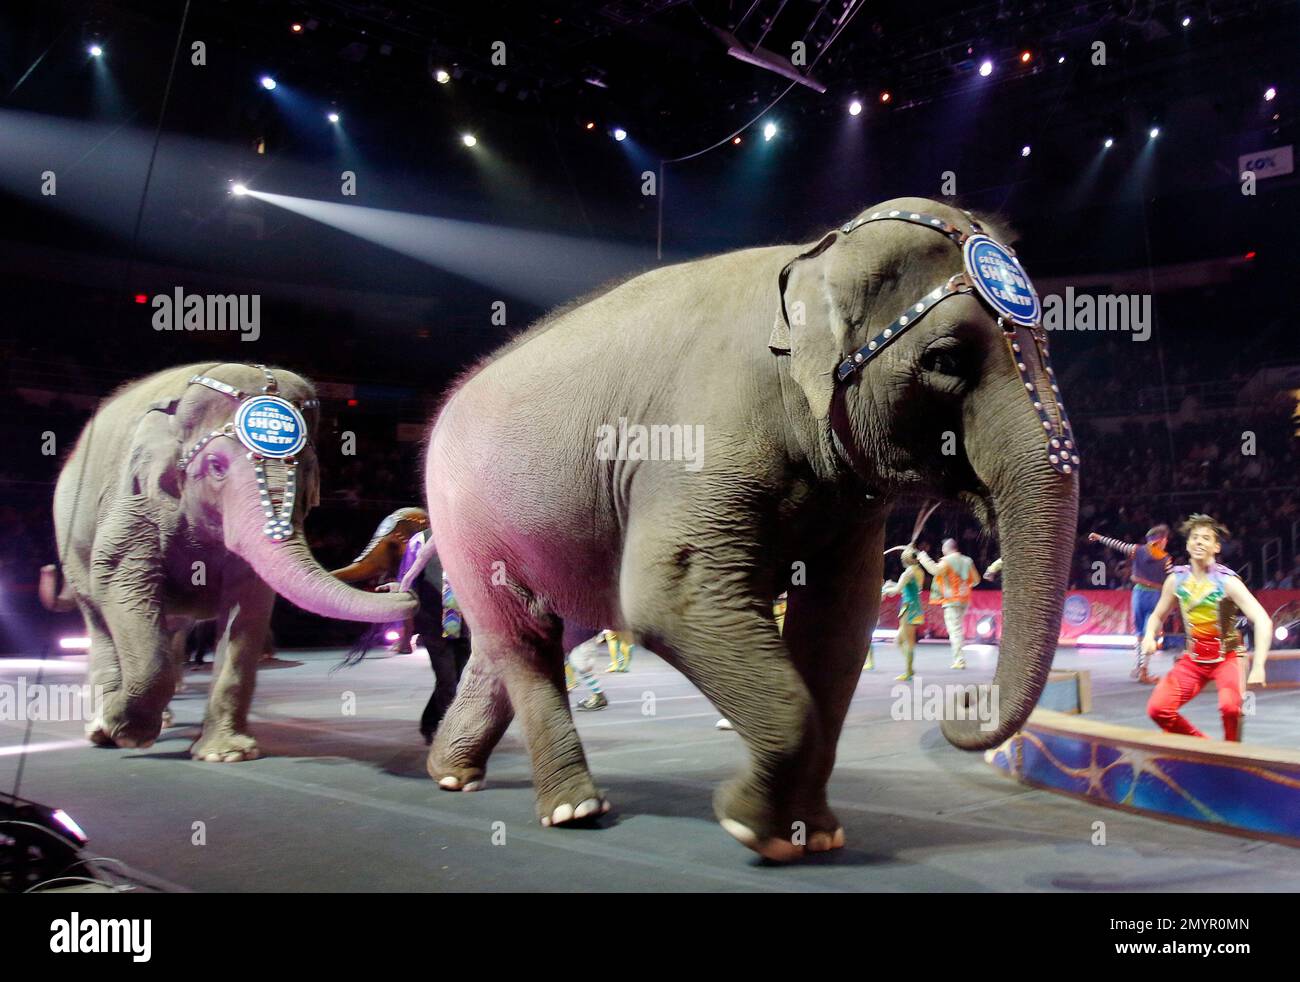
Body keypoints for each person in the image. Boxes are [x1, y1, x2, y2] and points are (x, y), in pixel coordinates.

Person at [1142, 515, 1271, 742]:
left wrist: (1259, 665)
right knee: (1157, 709)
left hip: (1228, 657)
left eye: (1206, 538)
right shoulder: (1176, 580)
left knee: (1231, 709)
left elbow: (1262, 620)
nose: (1199, 542)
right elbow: (1157, 615)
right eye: (1195, 538)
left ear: (1216, 546)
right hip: (1193, 660)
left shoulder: (1228, 582)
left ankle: (1231, 753)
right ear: (1187, 544)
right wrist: (1149, 636)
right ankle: (1205, 747)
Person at [1088, 524, 1173, 684]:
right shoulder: (1166, 559)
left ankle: (1140, 666)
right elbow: (1171, 581)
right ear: (1161, 540)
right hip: (1155, 595)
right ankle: (1143, 670)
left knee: (1140, 632)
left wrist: (1099, 537)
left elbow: (1116, 544)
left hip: (1139, 593)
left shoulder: (1137, 550)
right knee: (1149, 632)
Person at [918, 538, 980, 669]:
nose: (942, 551)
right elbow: (976, 580)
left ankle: (959, 660)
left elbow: (934, 570)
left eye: (943, 549)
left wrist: (923, 557)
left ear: (947, 548)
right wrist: (964, 585)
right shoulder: (967, 560)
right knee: (957, 628)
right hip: (964, 599)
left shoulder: (947, 561)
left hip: (952, 600)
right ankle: (959, 659)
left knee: (955, 630)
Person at [882, 548, 926, 681]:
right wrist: (891, 585)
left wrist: (885, 589)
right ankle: (909, 668)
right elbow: (908, 588)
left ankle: (908, 672)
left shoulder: (908, 573)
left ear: (905, 560)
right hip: (915, 606)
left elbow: (897, 590)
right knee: (900, 641)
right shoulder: (919, 571)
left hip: (909, 608)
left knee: (908, 641)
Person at [568, 633, 609, 711]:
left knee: (582, 668)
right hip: (584, 641)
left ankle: (599, 696)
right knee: (581, 667)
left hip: (584, 641)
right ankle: (597, 695)